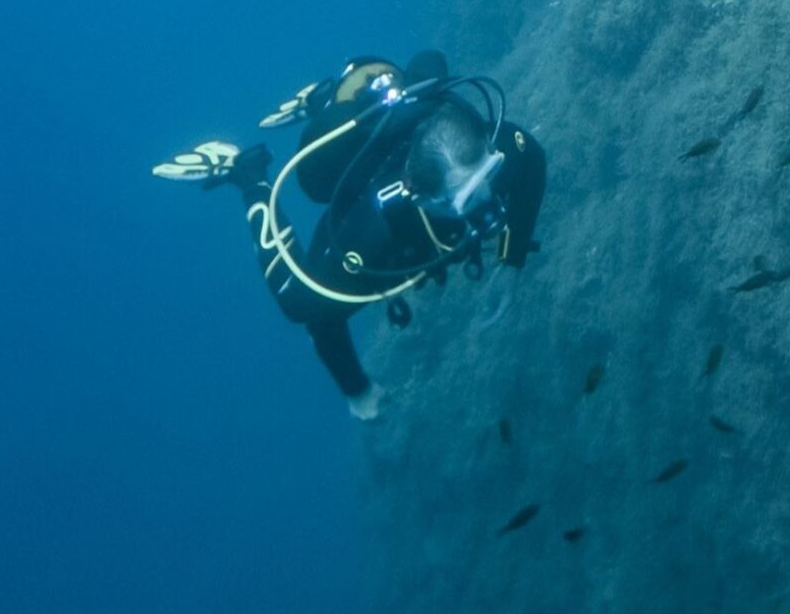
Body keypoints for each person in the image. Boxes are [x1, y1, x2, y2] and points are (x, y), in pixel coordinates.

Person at [153, 51, 546, 417]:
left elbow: (533, 161)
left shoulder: (500, 146)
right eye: (464, 200)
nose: (485, 202)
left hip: (409, 112)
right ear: (419, 196)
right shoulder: (376, 232)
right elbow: (319, 316)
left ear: (486, 146)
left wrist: (510, 263)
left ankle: (334, 97)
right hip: (355, 178)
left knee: (421, 83)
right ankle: (248, 173)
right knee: (296, 301)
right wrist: (356, 388)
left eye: (489, 174)